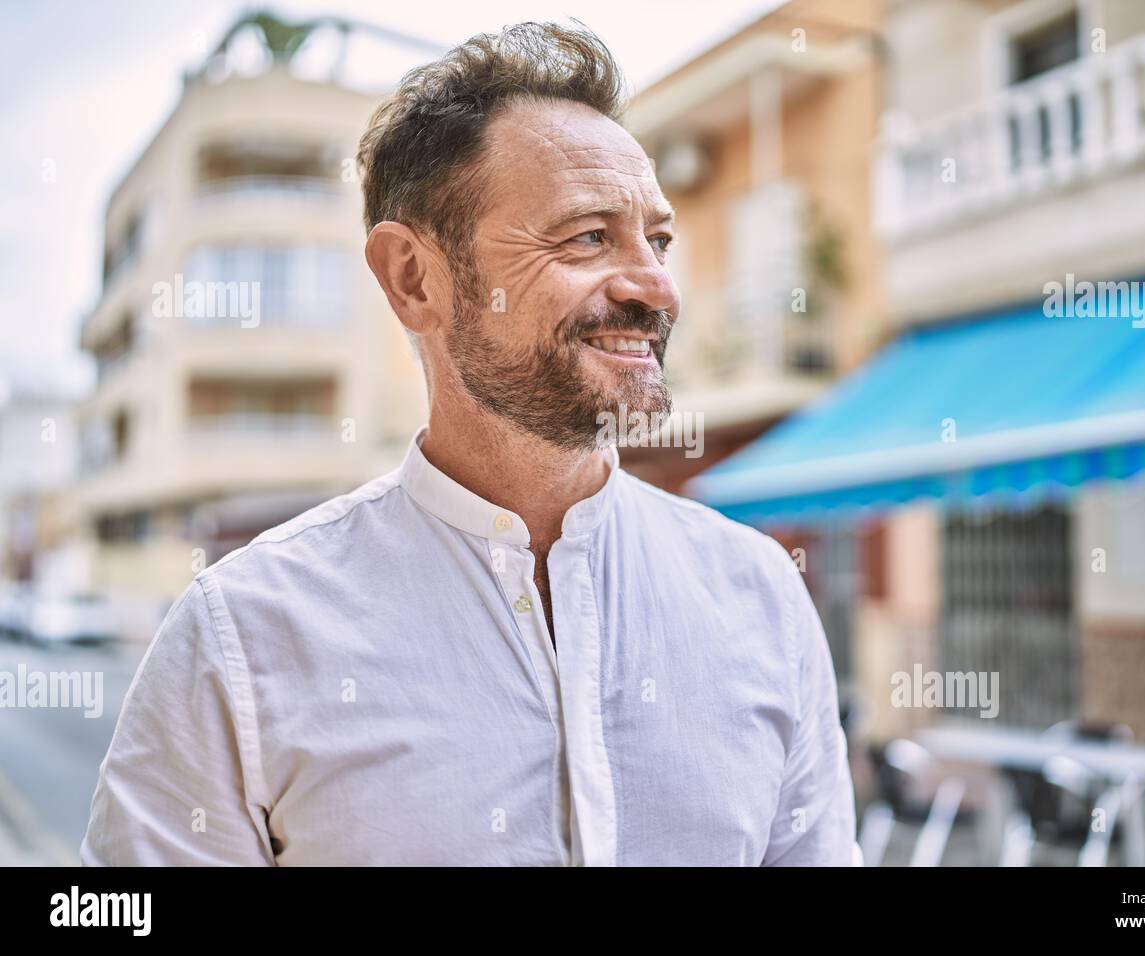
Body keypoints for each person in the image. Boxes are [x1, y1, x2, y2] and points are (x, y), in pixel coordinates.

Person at [82, 21, 861, 866]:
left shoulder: (763, 600)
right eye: (588, 236)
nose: (656, 286)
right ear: (415, 278)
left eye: (659, 240)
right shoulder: (243, 636)